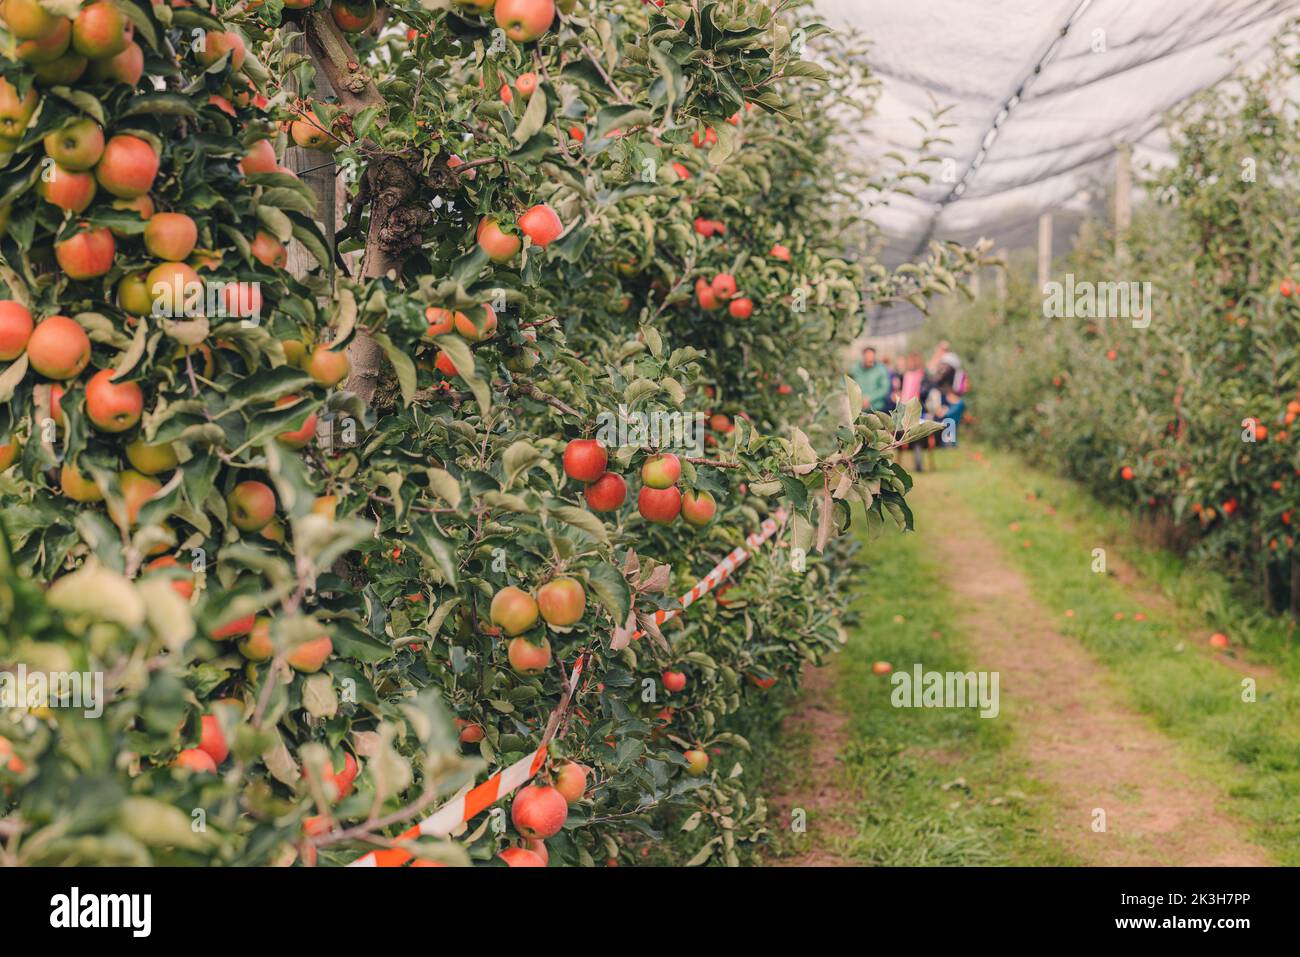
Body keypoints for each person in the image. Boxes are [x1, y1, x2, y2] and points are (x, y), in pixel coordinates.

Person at [851, 346, 892, 412]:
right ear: (863, 356)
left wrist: (869, 398)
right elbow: (847, 384)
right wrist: (859, 399)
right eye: (867, 357)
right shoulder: (855, 369)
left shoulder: (881, 369)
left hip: (877, 409)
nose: (870, 360)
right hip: (859, 409)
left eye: (872, 357)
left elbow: (884, 389)